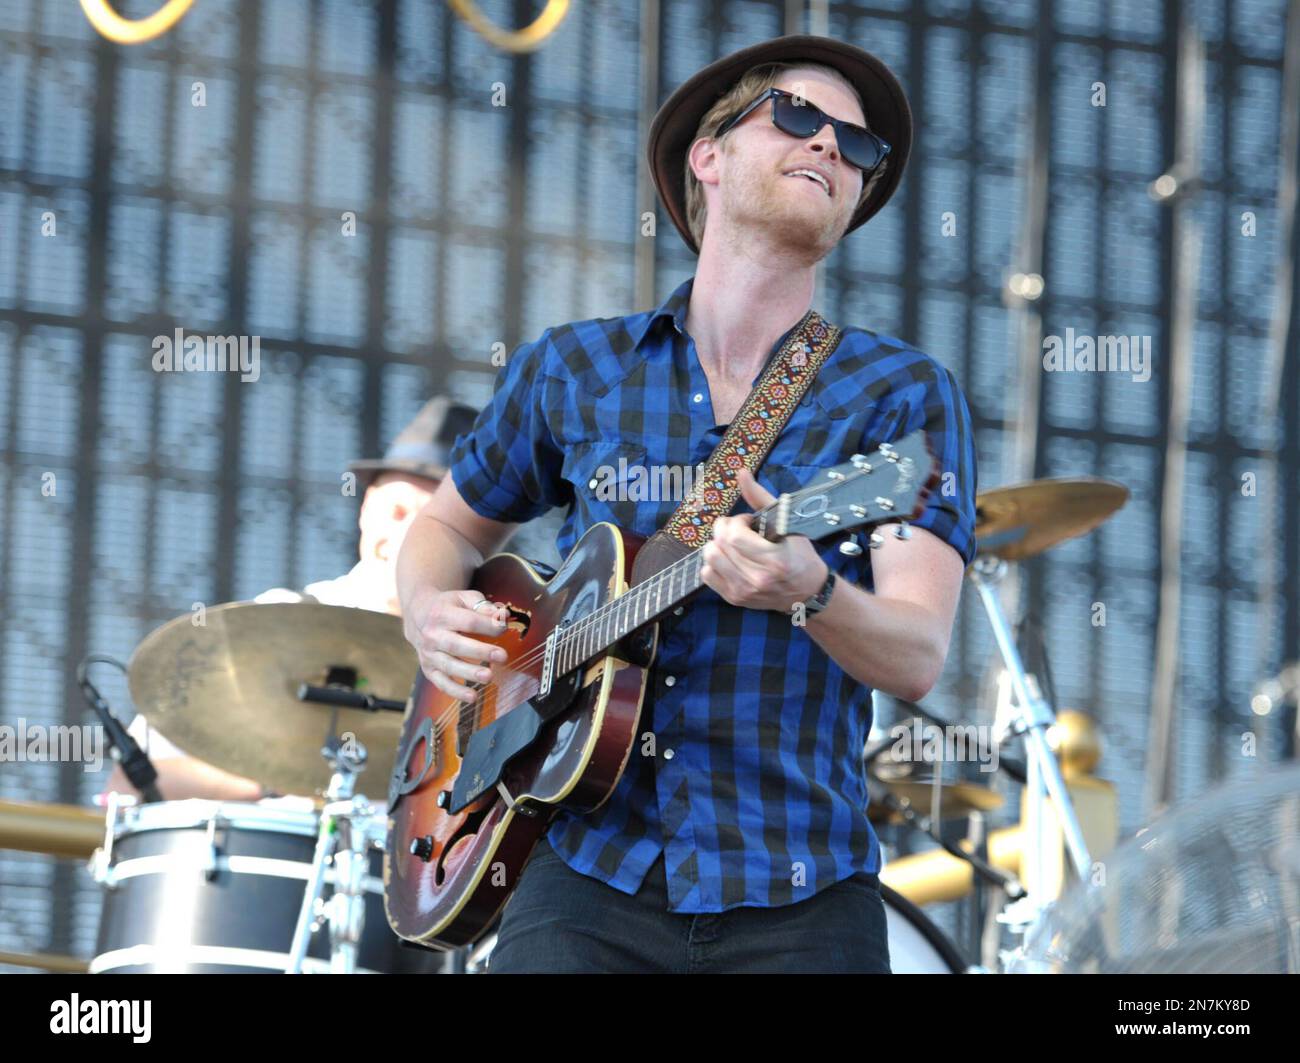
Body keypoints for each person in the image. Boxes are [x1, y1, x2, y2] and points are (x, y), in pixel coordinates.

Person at [396, 35, 978, 974]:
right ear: (706, 157)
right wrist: (428, 610)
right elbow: (445, 527)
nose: (831, 146)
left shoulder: (900, 395)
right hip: (583, 872)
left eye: (858, 147)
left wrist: (813, 590)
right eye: (797, 116)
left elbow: (916, 653)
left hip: (802, 893)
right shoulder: (575, 365)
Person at [102, 397, 477, 802]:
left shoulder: (495, 663)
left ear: (472, 539)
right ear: (366, 510)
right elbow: (129, 785)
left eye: (428, 525)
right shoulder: (275, 619)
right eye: (398, 512)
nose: (406, 540)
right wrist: (280, 781)